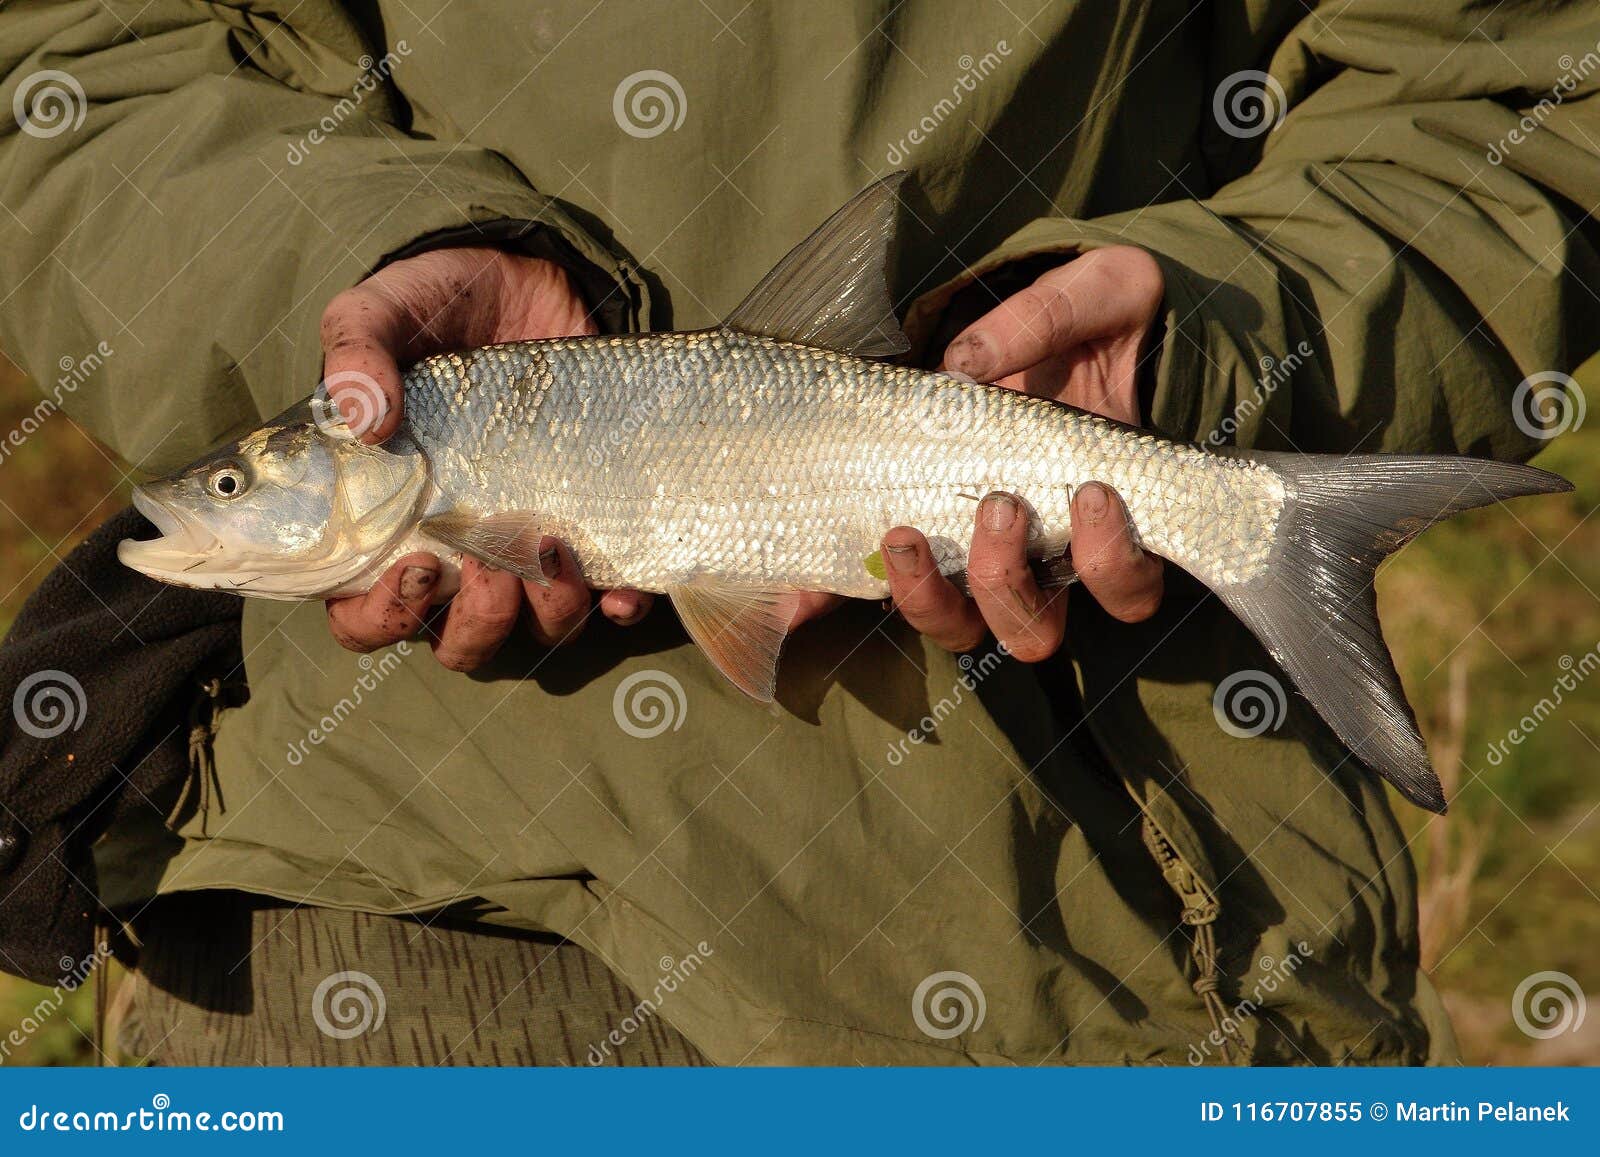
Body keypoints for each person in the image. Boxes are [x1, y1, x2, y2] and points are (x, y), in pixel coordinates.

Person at [2, 0, 1595, 1065]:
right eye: (236, 489)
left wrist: (1216, 349)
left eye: (232, 490)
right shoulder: (433, 457)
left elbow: (1525, 79)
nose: (211, 503)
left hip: (1089, 938)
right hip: (377, 931)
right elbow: (76, 56)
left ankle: (1261, 530)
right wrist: (366, 256)